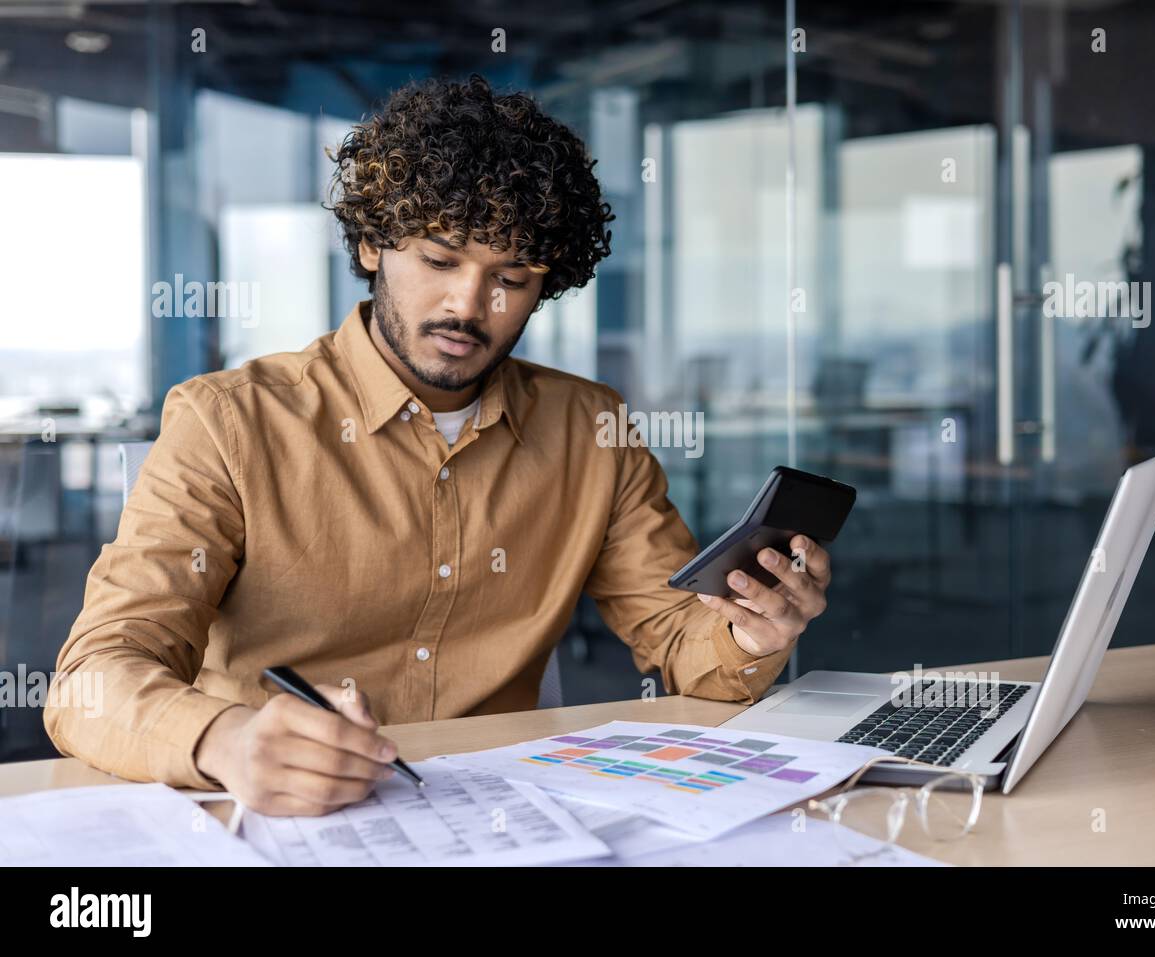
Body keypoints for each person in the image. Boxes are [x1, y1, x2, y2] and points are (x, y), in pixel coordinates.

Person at [44, 74, 832, 817]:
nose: (468, 303)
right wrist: (226, 739)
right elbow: (94, 676)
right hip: (280, 816)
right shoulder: (226, 421)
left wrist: (746, 633)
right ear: (371, 247)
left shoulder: (593, 428)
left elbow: (676, 638)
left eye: (511, 275)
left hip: (499, 820)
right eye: (438, 258)